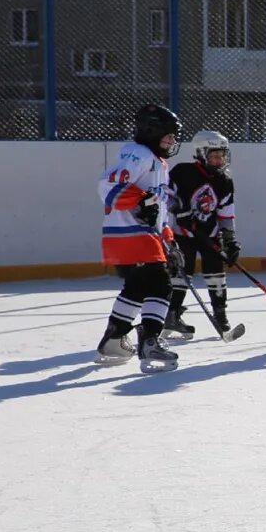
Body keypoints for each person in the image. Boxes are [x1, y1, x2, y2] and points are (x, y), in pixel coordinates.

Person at [94, 103, 184, 372]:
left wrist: (169, 238)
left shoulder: (157, 161)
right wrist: (142, 199)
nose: (172, 141)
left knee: (138, 287)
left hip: (135, 234)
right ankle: (150, 342)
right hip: (130, 232)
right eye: (167, 135)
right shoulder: (138, 153)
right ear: (151, 132)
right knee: (160, 284)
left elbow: (157, 207)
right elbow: (108, 185)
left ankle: (113, 339)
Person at [166, 129, 240, 338]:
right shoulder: (182, 172)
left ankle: (221, 316)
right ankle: (171, 315)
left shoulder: (224, 180)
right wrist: (177, 209)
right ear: (200, 154)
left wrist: (230, 239)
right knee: (182, 272)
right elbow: (166, 194)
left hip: (210, 233)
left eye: (222, 156)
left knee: (216, 273)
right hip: (183, 233)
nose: (219, 160)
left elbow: (226, 213)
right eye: (214, 156)